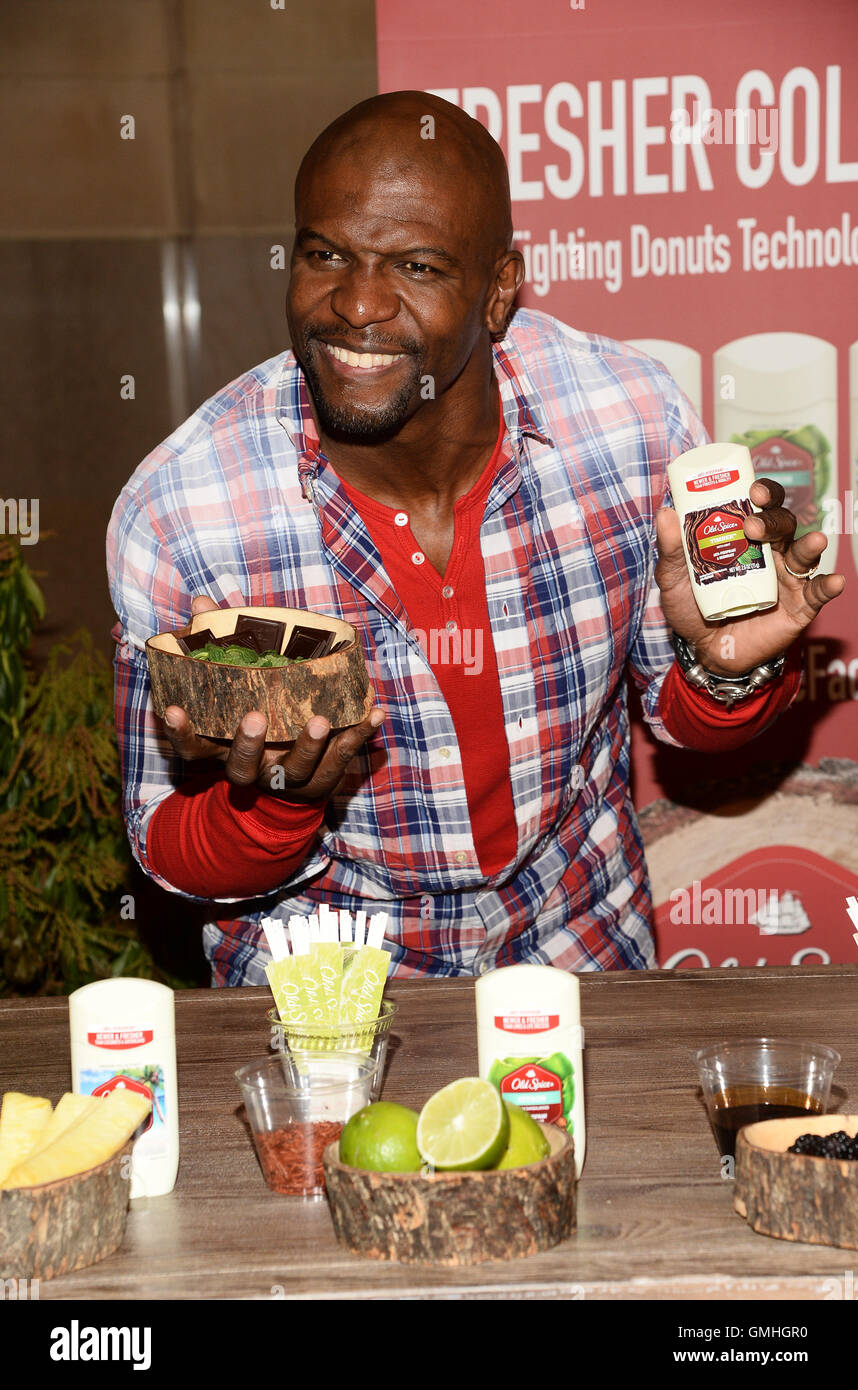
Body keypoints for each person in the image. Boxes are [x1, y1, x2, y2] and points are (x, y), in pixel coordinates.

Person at [107, 92, 844, 984]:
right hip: (323, 974)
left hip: (580, 937)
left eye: (416, 266)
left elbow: (687, 727)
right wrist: (277, 805)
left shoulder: (630, 421)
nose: (357, 304)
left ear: (498, 291)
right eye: (324, 255)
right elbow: (168, 853)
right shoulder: (186, 510)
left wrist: (726, 670)